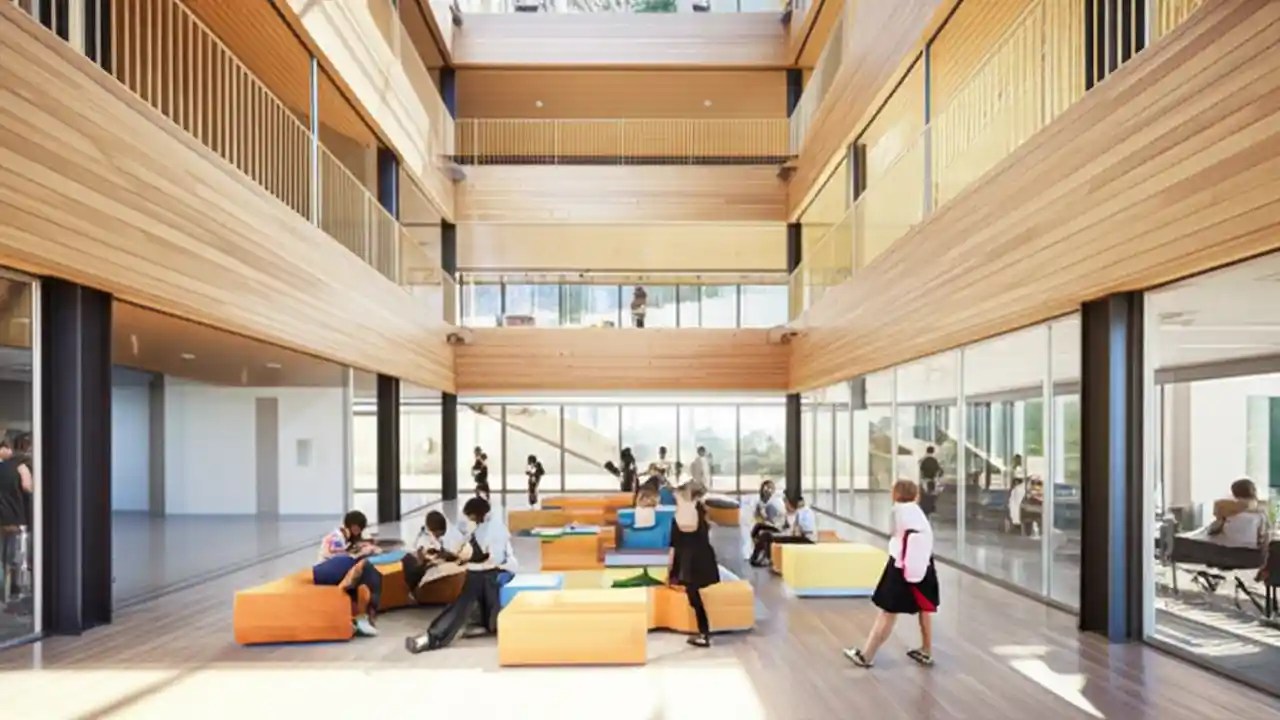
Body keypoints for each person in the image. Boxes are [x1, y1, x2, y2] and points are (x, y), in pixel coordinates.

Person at [844, 480, 940, 668]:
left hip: (900, 566)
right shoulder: (918, 512)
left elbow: (891, 532)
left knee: (888, 612)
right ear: (916, 495)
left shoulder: (897, 512)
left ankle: (866, 656)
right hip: (925, 565)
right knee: (924, 608)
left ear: (895, 494)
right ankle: (926, 650)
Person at [406, 497, 518, 653]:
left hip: (498, 570)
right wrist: (451, 556)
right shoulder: (480, 527)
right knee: (469, 588)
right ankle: (475, 625)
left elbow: (493, 558)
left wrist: (464, 557)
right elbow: (469, 551)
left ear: (479, 514)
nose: (469, 520)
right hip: (482, 570)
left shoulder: (495, 529)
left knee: (464, 600)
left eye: (471, 516)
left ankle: (433, 636)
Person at [313, 510, 381, 637]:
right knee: (365, 565)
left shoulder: (342, 537)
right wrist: (363, 552)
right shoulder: (336, 537)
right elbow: (340, 558)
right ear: (355, 527)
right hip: (325, 572)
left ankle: (361, 614)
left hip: (331, 571)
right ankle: (367, 614)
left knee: (365, 572)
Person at [669, 481, 719, 648]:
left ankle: (704, 633)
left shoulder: (683, 515)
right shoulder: (700, 511)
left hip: (689, 561)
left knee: (694, 596)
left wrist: (670, 570)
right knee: (695, 596)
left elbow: (675, 545)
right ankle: (703, 632)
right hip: (703, 558)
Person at [0, 436, 33, 604]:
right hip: (16, 517)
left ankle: (3, 592)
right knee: (16, 556)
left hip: (2, 518)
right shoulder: (20, 467)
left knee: (3, 556)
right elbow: (28, 487)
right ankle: (14, 591)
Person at [401, 510, 463, 593]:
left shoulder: (450, 535)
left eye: (441, 535)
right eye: (437, 535)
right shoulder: (420, 539)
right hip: (412, 563)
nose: (439, 537)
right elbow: (420, 556)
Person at [753, 493, 816, 567]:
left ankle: (766, 558)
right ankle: (757, 556)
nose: (786, 505)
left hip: (805, 539)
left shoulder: (805, 512)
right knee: (763, 531)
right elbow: (786, 526)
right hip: (792, 534)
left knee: (766, 535)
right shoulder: (797, 512)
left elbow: (807, 530)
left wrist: (795, 528)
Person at [748, 480, 786, 566]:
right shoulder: (764, 502)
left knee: (762, 532)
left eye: (769, 488)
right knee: (758, 528)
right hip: (772, 524)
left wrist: (764, 516)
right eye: (765, 488)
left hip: (776, 526)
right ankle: (757, 554)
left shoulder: (773, 503)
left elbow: (772, 519)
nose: (767, 490)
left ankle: (763, 557)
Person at [918, 446, 943, 517]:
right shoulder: (935, 460)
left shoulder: (923, 460)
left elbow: (921, 470)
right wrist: (937, 477)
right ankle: (931, 507)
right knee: (932, 494)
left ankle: (925, 508)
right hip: (932, 479)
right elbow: (939, 470)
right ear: (933, 452)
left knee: (925, 494)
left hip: (925, 479)